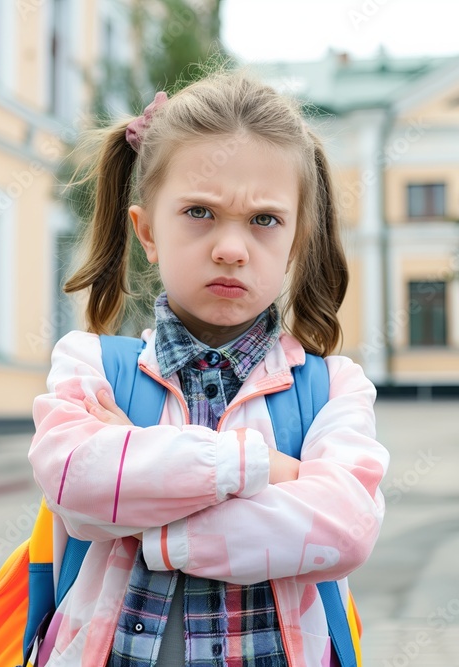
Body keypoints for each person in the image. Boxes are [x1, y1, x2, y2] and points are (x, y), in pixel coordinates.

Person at [28, 72, 390, 667]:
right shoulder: (91, 364)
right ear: (146, 231)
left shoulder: (333, 389)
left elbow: (345, 528)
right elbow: (76, 485)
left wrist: (149, 515)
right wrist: (259, 466)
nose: (231, 247)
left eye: (265, 220)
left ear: (297, 240)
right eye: (200, 212)